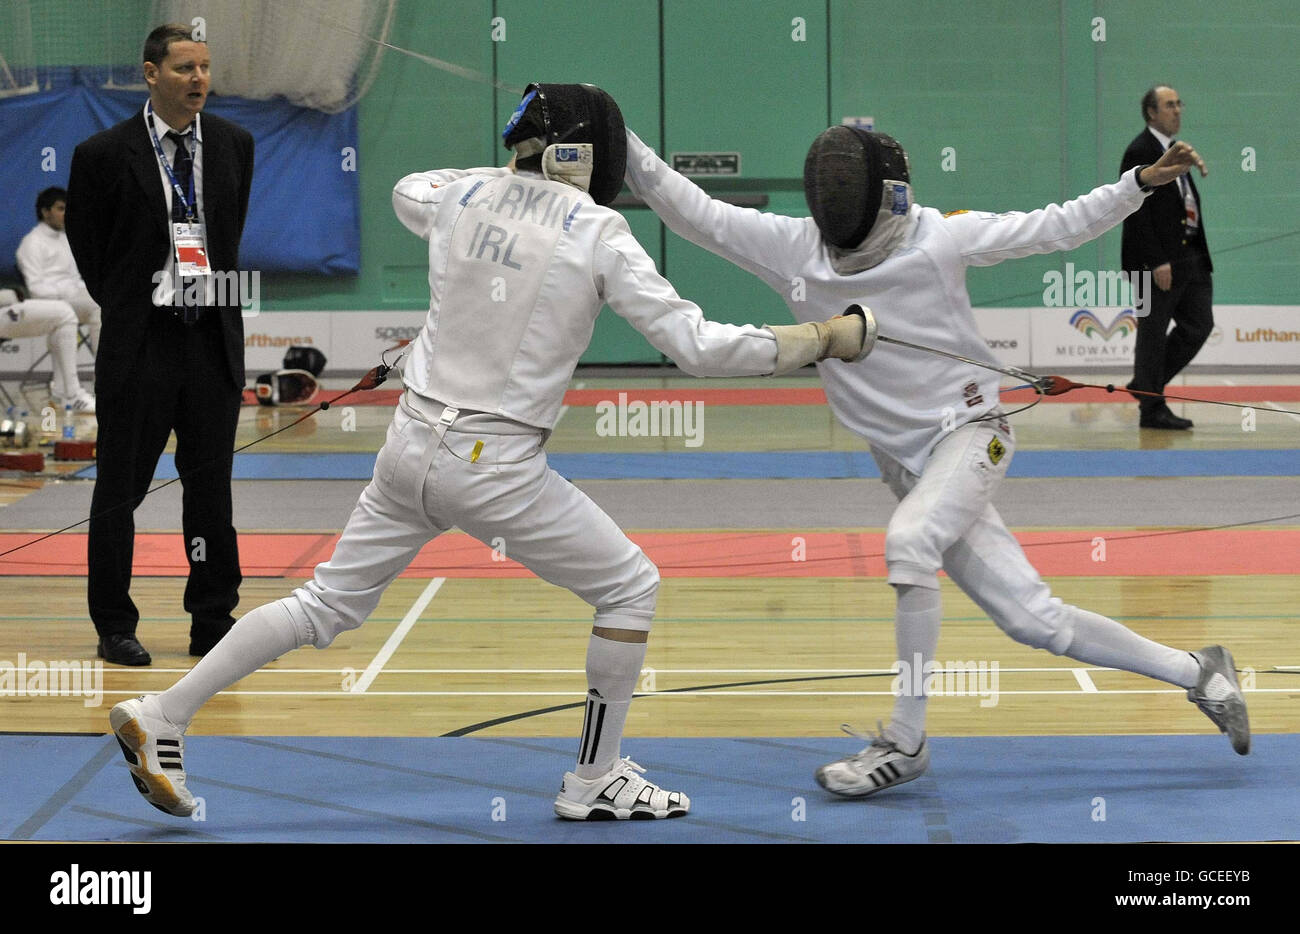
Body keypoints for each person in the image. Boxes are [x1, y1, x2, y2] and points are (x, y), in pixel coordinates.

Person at [108, 83, 868, 821]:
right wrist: (825, 337)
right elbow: (698, 348)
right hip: (492, 467)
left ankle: (163, 712)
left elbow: (413, 186)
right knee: (630, 587)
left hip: (408, 450)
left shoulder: (461, 199)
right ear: (584, 156)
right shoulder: (598, 231)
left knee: (325, 604)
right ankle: (594, 779)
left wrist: (507, 176)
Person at [623, 123, 1249, 798]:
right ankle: (1202, 672)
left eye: (847, 190)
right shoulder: (795, 248)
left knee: (911, 540)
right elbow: (687, 206)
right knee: (1035, 620)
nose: (837, 205)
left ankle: (906, 740)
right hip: (904, 464)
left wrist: (1137, 184)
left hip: (973, 436)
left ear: (887, 197)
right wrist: (615, 132)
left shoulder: (939, 237)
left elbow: (1056, 226)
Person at [65, 23, 254, 667]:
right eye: (183, 69)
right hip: (139, 343)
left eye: (204, 67)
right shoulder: (101, 154)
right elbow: (91, 255)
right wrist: (142, 301)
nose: (198, 79)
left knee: (210, 491)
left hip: (211, 343)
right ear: (151, 75)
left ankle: (211, 618)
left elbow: (229, 237)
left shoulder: (235, 144)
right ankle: (115, 623)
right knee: (119, 488)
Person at [1120, 85, 1213, 430]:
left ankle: (1147, 386)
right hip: (1154, 263)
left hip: (1190, 258)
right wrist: (1157, 259)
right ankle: (1152, 408)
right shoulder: (1139, 151)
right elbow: (1135, 211)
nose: (1177, 110)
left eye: (1179, 103)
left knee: (1200, 325)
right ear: (1151, 113)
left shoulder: (1176, 150)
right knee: (1153, 332)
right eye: (1169, 105)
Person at [16, 186, 103, 367]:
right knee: (97, 307)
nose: (66, 214)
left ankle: (108, 372)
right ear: (45, 212)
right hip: (49, 303)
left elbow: (74, 278)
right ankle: (104, 373)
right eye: (61, 209)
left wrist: (83, 291)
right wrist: (69, 292)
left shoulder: (65, 239)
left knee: (105, 300)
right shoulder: (32, 243)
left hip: (72, 299)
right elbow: (35, 288)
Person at [0, 286, 94, 412]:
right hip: (9, 305)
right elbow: (35, 285)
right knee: (64, 313)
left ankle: (65, 392)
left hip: (19, 301)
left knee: (96, 306)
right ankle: (71, 394)